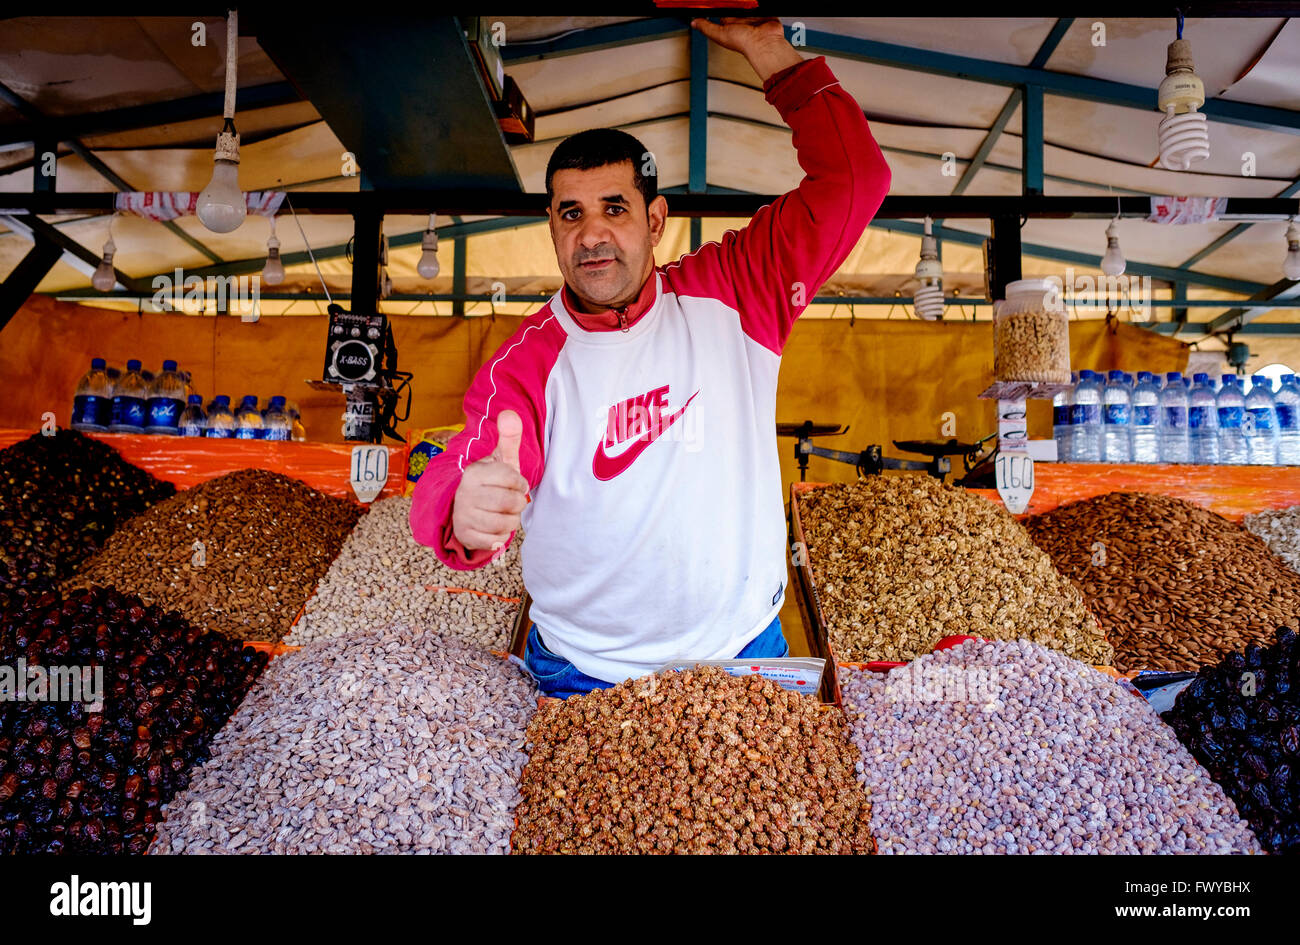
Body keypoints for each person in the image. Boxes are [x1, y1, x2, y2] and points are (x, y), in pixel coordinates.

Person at [411, 16, 891, 697]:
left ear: (656, 219)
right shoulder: (528, 358)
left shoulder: (738, 287)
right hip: (582, 674)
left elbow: (855, 177)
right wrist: (461, 509)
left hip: (743, 656)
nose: (593, 234)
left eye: (615, 207)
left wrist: (771, 54)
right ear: (550, 225)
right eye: (570, 213)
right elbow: (477, 457)